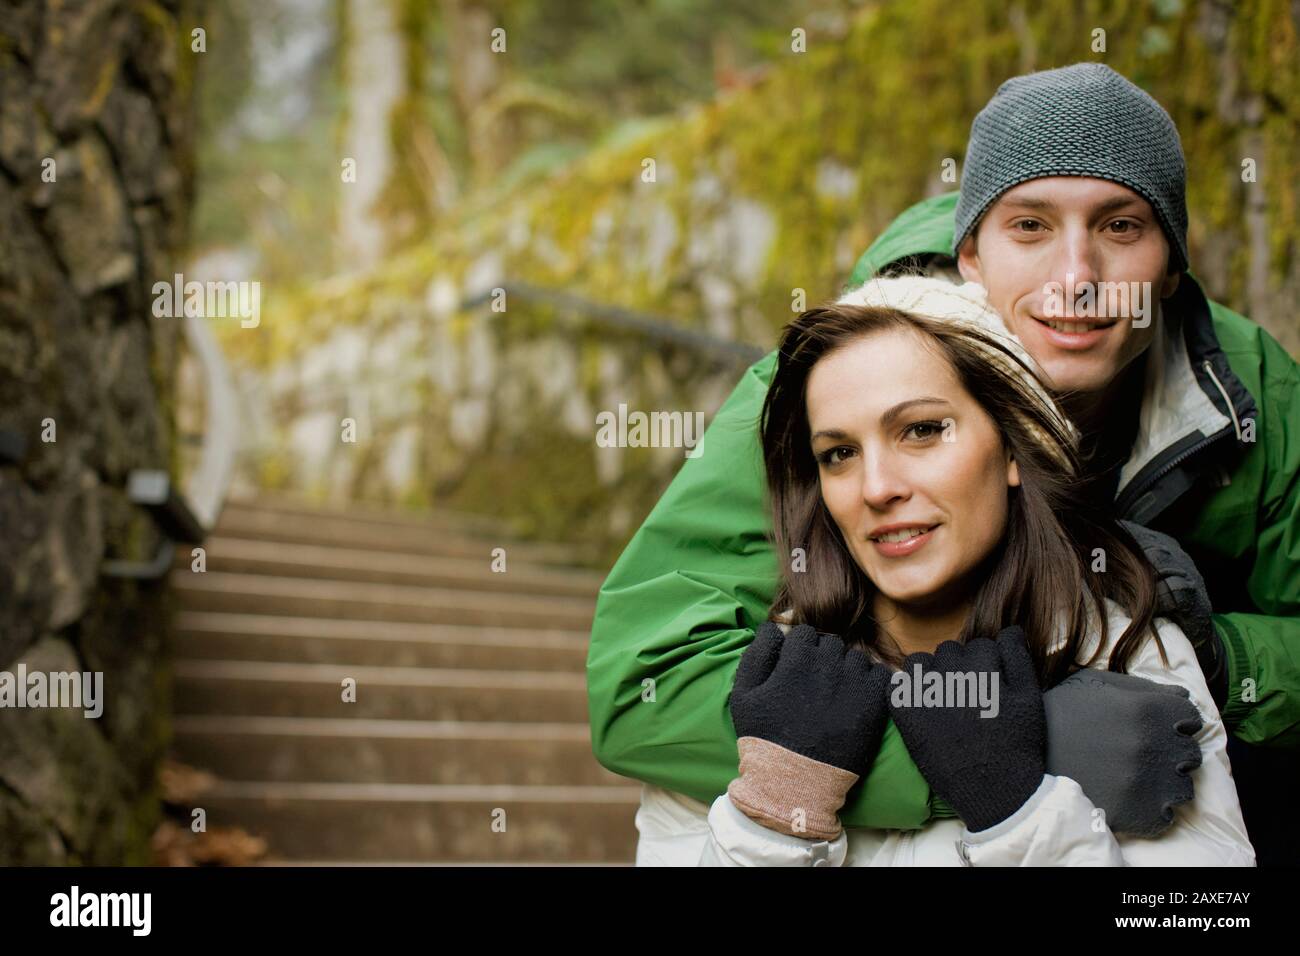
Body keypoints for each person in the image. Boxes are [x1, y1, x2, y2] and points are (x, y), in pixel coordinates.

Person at [586, 62, 1299, 861]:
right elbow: (642, 688)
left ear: (1174, 264)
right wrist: (983, 757)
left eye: (1121, 226)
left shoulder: (1247, 393)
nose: (1077, 279)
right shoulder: (816, 383)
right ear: (971, 256)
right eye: (1028, 227)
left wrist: (1216, 654)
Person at [632, 278, 1254, 865]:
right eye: (839, 454)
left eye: (923, 430)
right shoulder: (767, 679)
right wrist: (772, 817)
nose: (876, 488)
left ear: (1014, 446)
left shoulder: (1129, 650)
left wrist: (1020, 815)